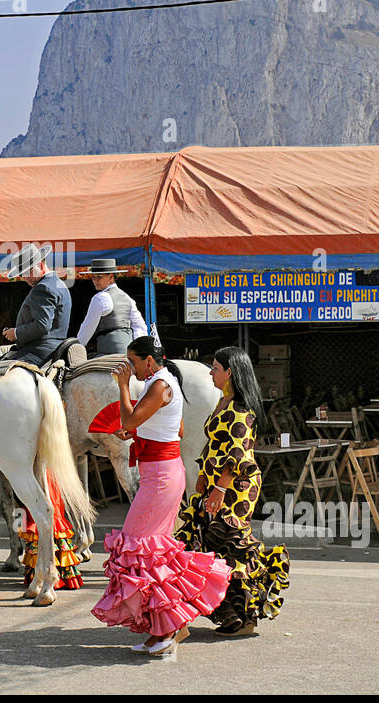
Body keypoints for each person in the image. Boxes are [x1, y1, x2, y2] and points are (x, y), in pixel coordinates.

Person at [91, 335, 232, 655]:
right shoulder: (164, 383)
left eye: (134, 362)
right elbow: (178, 430)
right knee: (151, 554)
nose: (130, 368)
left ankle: (170, 626)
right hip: (162, 474)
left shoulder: (158, 385)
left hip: (160, 479)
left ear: (149, 361)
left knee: (136, 547)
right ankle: (163, 628)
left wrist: (123, 387)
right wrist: (139, 429)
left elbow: (129, 418)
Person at [177, 345, 290, 636]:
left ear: (230, 372)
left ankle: (247, 616)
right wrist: (203, 475)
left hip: (236, 486)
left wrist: (218, 487)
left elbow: (236, 452)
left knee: (233, 545)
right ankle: (232, 616)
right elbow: (214, 444)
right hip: (217, 483)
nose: (211, 372)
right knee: (214, 547)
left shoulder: (240, 408)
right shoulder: (222, 401)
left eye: (215, 368)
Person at [0, 243, 71, 366]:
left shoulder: (42, 288)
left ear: (40, 265)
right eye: (22, 274)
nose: (25, 278)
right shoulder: (59, 283)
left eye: (29, 271)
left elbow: (41, 325)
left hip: (39, 351)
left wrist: (15, 333)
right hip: (52, 348)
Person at [75, 258, 147, 356]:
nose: (95, 280)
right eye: (93, 277)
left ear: (111, 277)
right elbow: (140, 327)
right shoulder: (127, 298)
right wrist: (138, 352)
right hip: (129, 354)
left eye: (99, 277)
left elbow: (87, 327)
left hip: (108, 353)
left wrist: (77, 347)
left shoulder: (100, 298)